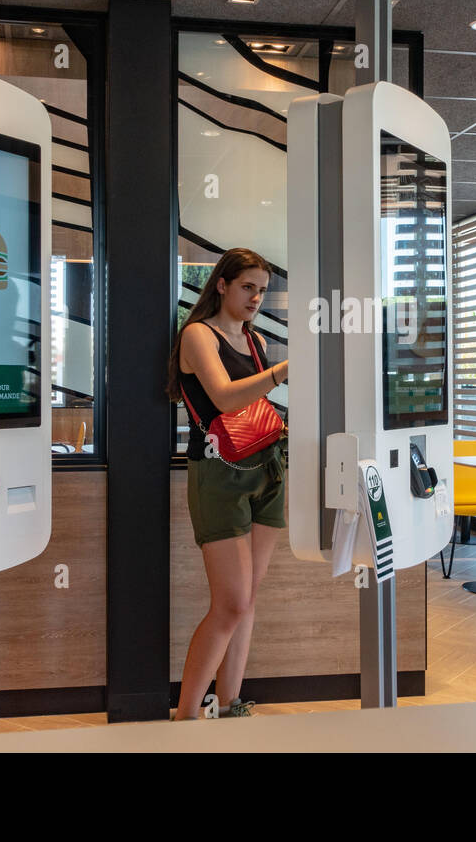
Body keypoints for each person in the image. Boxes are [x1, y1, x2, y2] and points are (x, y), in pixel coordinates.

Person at [166, 248, 289, 720]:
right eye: (247, 287)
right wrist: (281, 372)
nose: (256, 296)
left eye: (261, 289)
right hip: (220, 474)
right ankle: (187, 716)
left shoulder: (251, 338)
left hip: (267, 467)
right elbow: (222, 397)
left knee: (248, 599)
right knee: (231, 603)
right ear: (221, 284)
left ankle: (231, 703)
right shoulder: (199, 334)